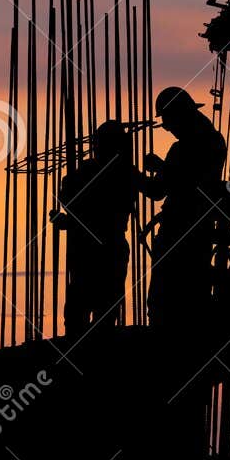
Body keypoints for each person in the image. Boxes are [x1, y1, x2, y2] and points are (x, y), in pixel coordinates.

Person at [141, 86, 227, 330]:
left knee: (169, 301)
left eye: (168, 121)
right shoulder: (201, 143)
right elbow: (158, 190)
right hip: (184, 232)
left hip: (187, 232)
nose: (167, 129)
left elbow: (194, 183)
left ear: (180, 115)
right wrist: (136, 176)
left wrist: (160, 167)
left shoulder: (205, 145)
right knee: (172, 300)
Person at [54, 120, 137, 335]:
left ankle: (83, 355)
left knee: (88, 308)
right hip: (105, 248)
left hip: (94, 249)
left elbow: (73, 202)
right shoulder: (125, 172)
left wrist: (67, 221)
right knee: (97, 308)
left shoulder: (110, 171)